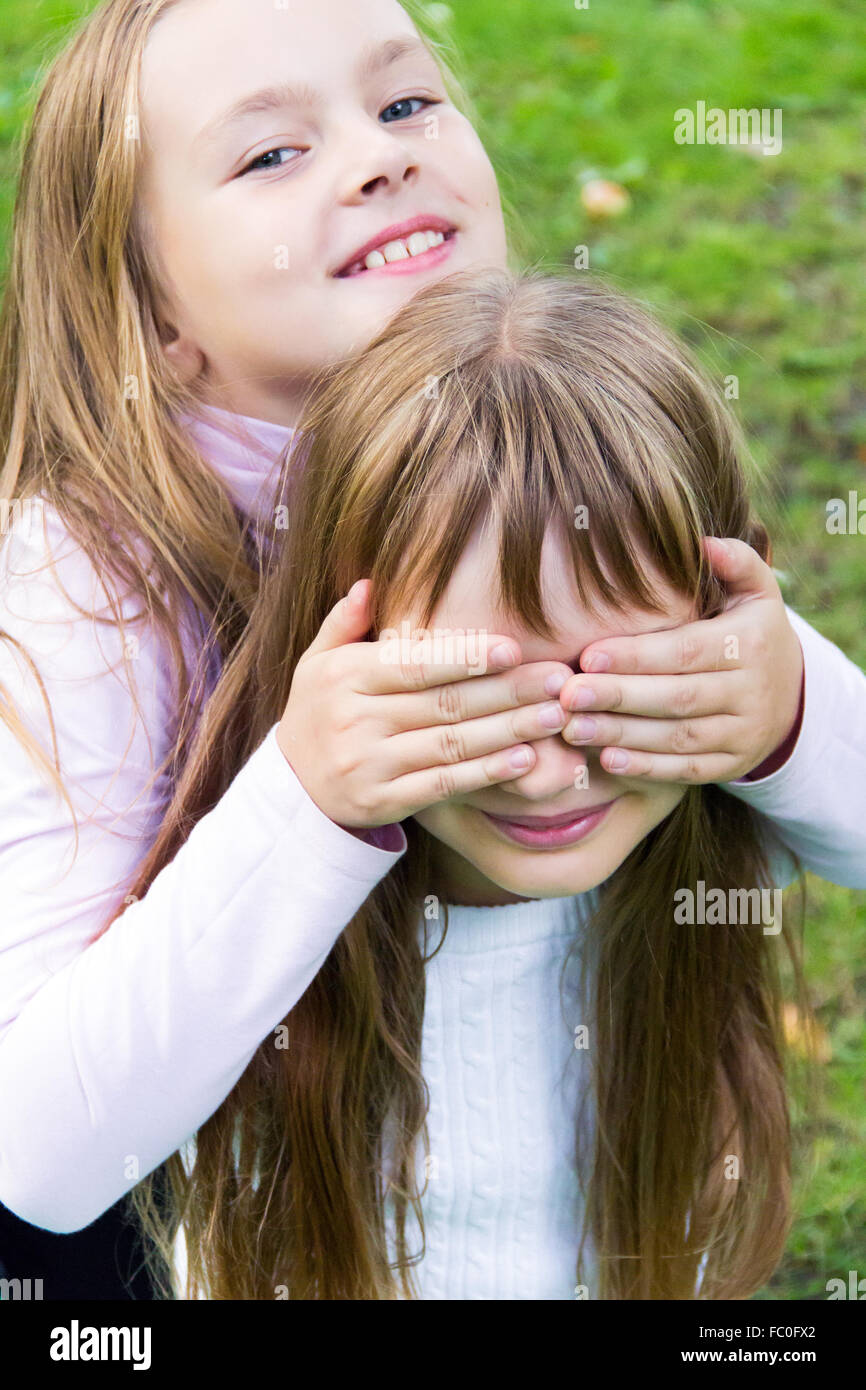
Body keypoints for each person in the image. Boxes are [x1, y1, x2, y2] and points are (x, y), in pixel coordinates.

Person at [0, 0, 862, 1298]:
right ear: (155, 317)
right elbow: (43, 1152)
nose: (377, 154)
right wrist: (306, 797)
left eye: (404, 104)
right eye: (269, 154)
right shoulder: (85, 581)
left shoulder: (541, 442)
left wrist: (786, 708)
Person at [121, 266, 866, 1299]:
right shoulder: (260, 893)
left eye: (619, 694)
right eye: (471, 700)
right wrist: (307, 799)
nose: (550, 773)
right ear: (342, 653)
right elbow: (63, 1144)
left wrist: (786, 711)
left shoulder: (725, 801)